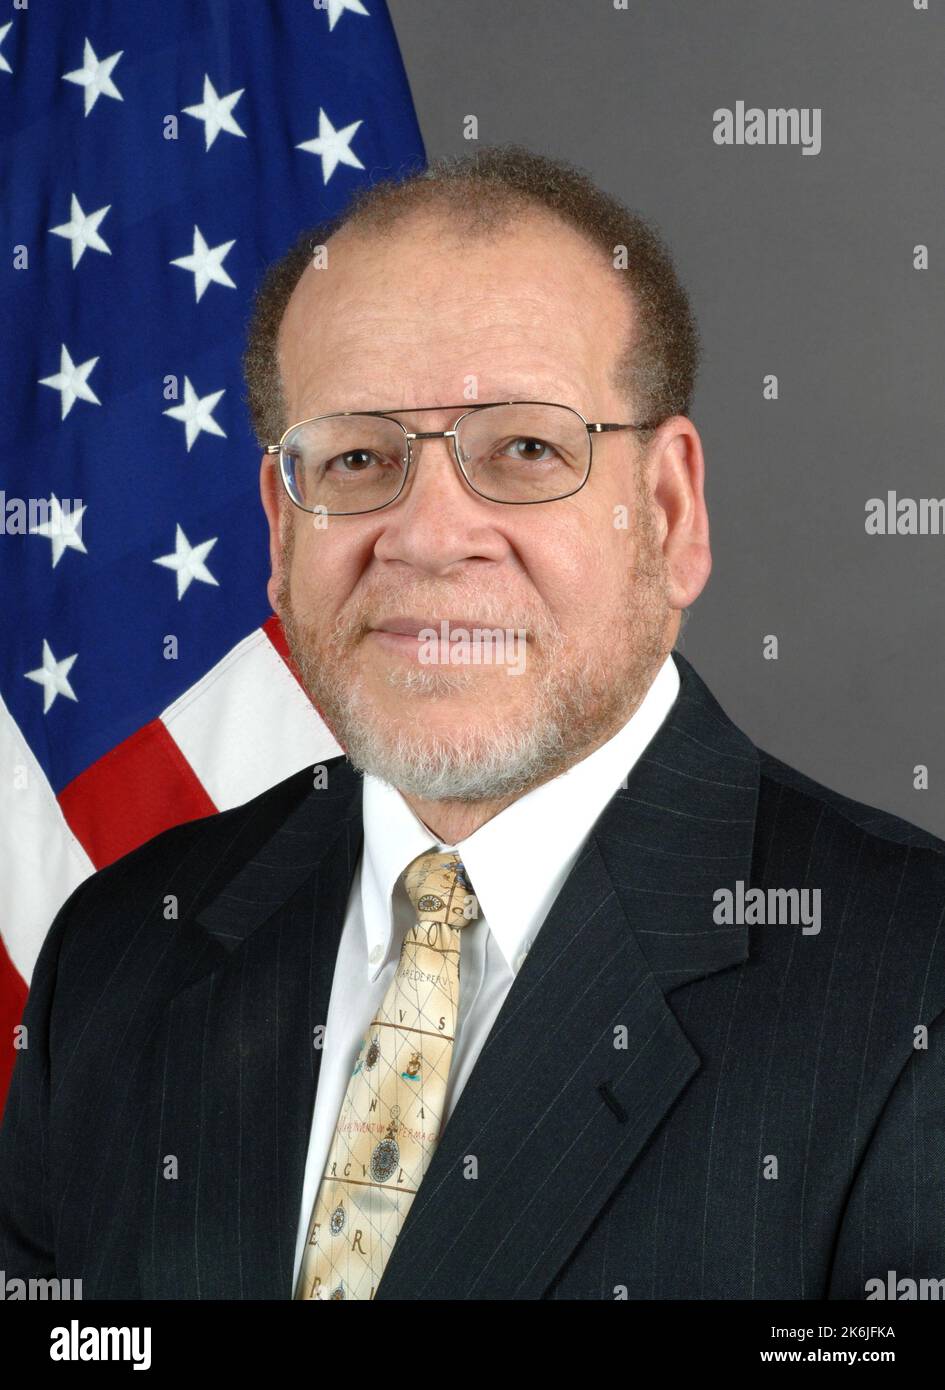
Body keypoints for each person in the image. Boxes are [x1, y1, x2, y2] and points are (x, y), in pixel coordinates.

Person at [2, 145, 943, 1301]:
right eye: (356, 457)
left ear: (667, 510)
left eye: (526, 449)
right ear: (279, 532)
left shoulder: (914, 993)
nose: (431, 534)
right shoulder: (117, 952)